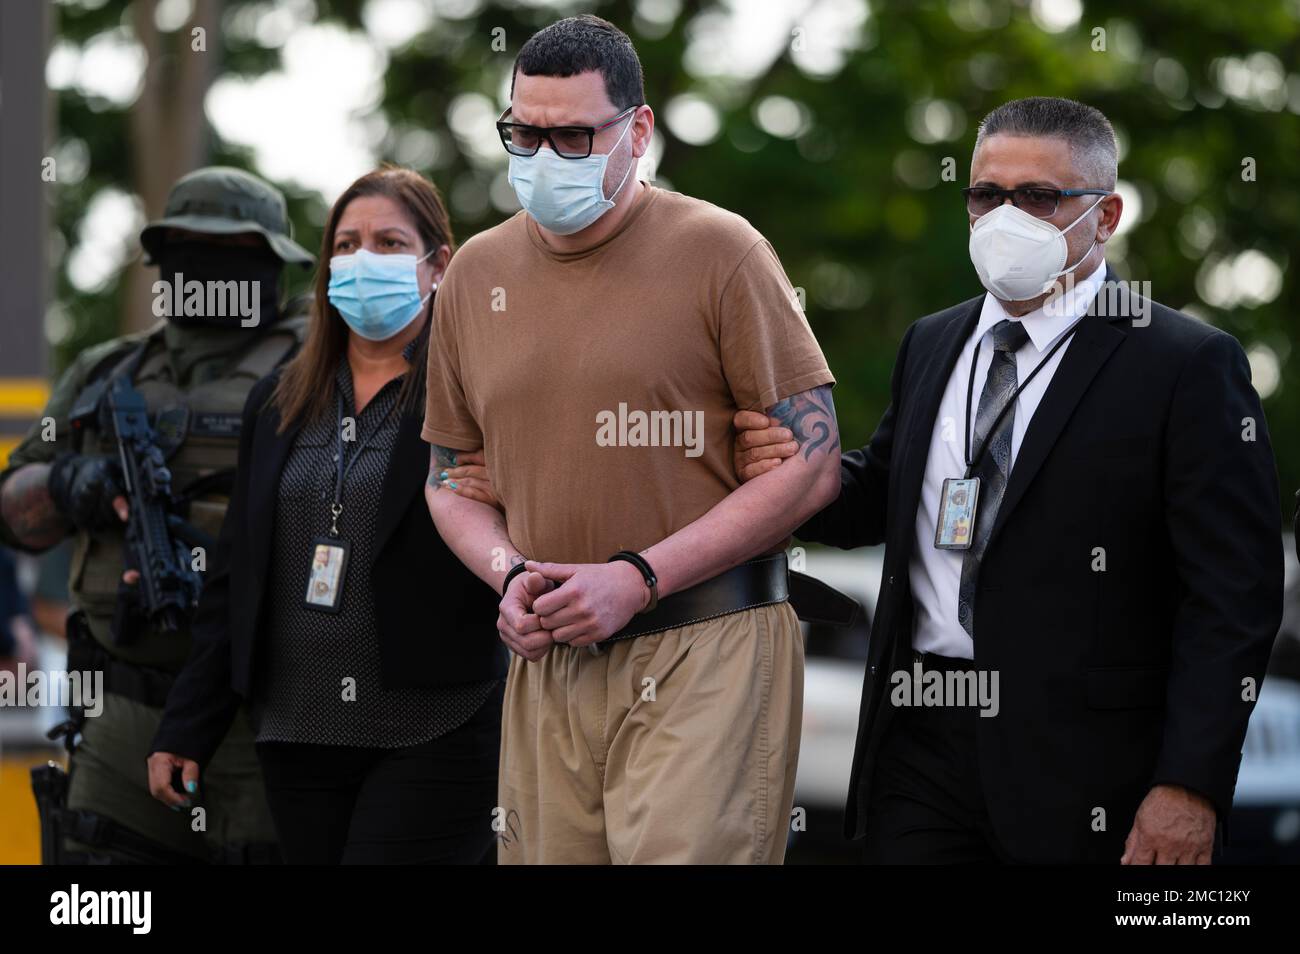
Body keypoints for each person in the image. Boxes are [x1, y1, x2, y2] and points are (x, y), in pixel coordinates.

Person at [731, 97, 1284, 864]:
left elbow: (1235, 595)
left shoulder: (1185, 362)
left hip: (1090, 766)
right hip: (920, 735)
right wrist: (797, 470)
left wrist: (1189, 786)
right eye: (987, 194)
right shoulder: (934, 339)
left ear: (1107, 215)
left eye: (1038, 197)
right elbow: (883, 494)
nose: (1005, 216)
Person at [422, 15, 840, 865]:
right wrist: (508, 577)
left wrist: (639, 579)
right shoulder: (475, 273)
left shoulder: (721, 251)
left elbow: (813, 460)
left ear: (637, 131)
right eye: (523, 132)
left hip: (706, 644)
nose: (542, 157)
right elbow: (454, 477)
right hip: (548, 655)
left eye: (573, 135)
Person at [148, 166, 508, 865]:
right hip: (296, 728)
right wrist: (186, 726)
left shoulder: (479, 392)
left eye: (388, 242)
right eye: (346, 244)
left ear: (440, 264)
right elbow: (235, 577)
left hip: (436, 722)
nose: (361, 259)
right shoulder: (280, 399)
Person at [0, 167, 314, 864]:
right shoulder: (105, 374)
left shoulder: (324, 367)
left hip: (269, 717)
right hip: (125, 714)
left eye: (232, 254)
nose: (208, 271)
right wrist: (71, 481)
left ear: (273, 266)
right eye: (191, 251)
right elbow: (15, 512)